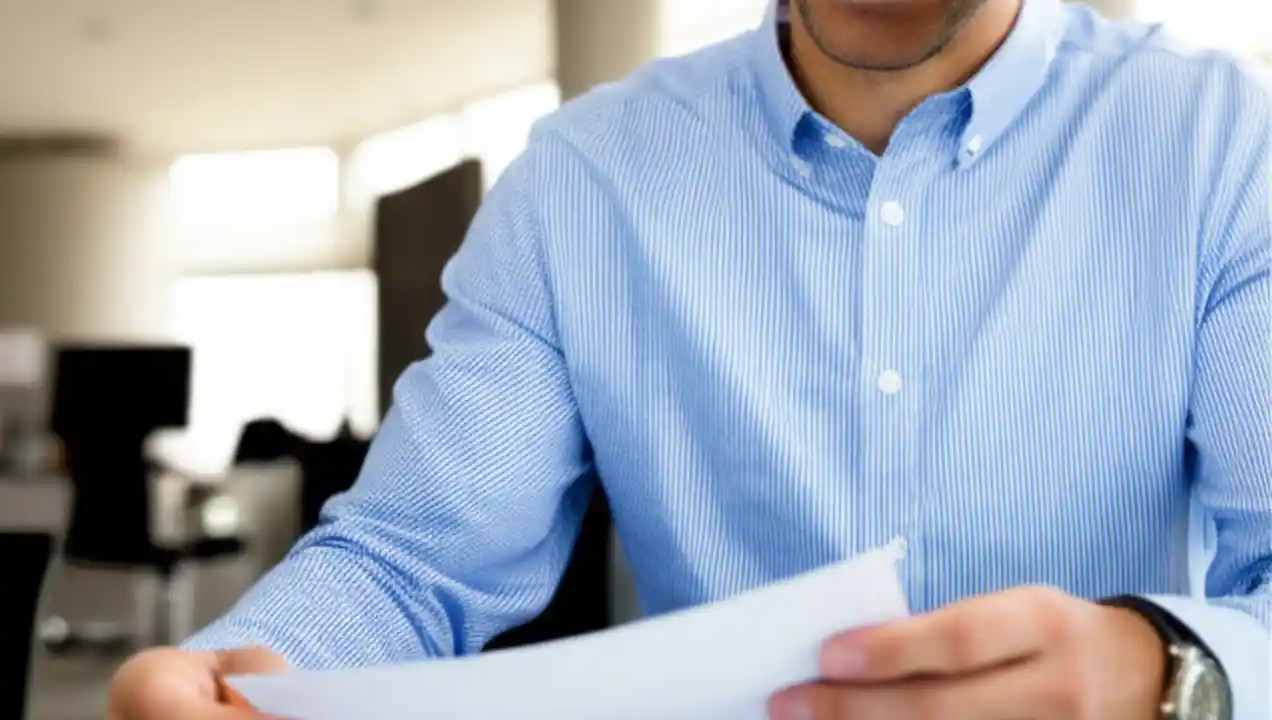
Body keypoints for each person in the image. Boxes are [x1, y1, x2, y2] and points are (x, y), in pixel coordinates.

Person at [110, 0, 1272, 717]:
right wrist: (222, 681)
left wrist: (1170, 672)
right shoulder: (584, 179)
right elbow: (413, 563)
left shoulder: (1217, 142)